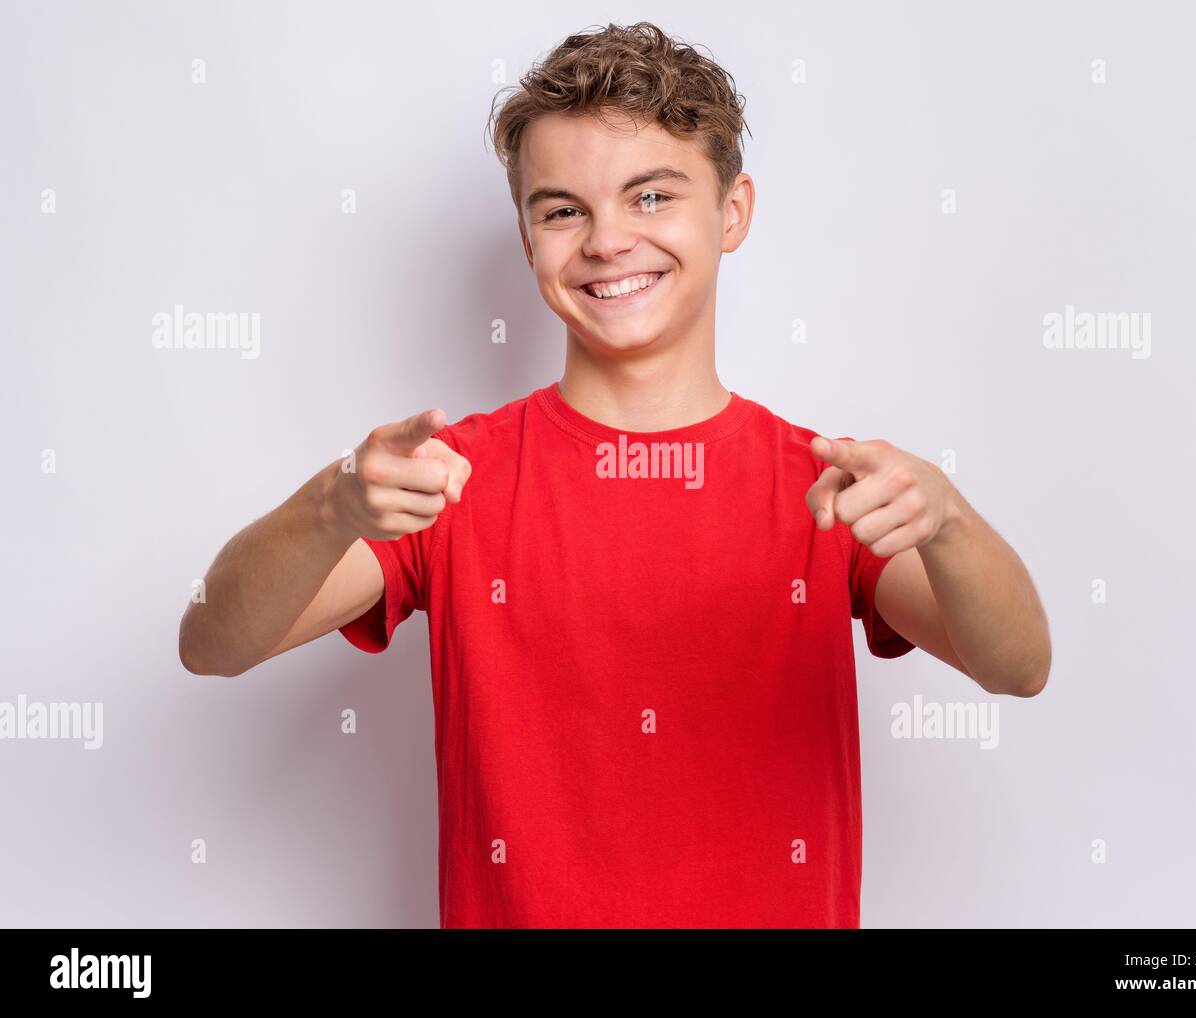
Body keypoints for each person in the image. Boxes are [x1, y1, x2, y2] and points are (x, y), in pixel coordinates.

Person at [179, 21, 1051, 928]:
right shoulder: (449, 481)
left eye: (651, 196)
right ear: (528, 241)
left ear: (733, 212)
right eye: (563, 211)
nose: (606, 241)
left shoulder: (826, 487)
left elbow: (1019, 667)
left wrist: (948, 520)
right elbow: (213, 644)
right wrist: (330, 507)